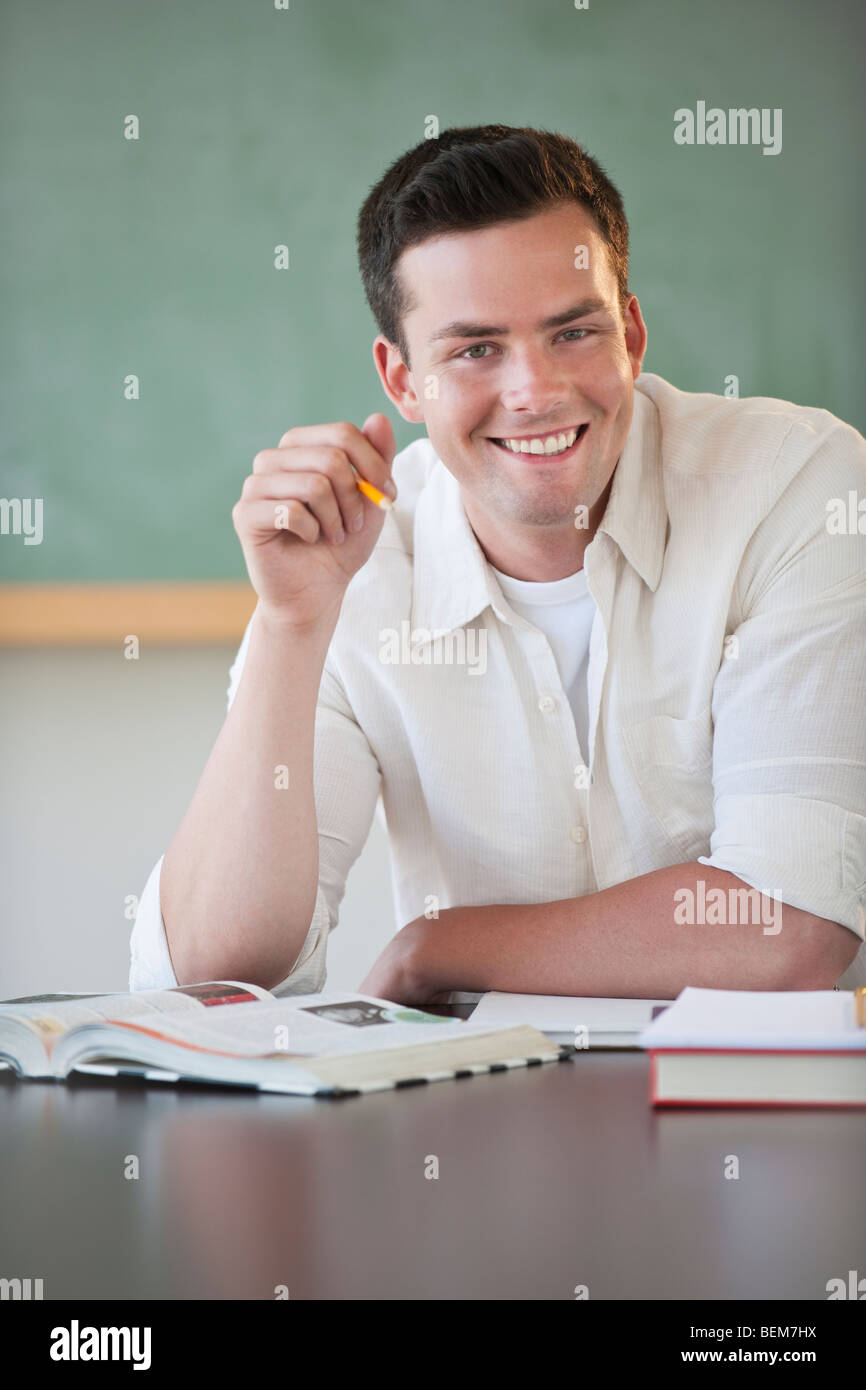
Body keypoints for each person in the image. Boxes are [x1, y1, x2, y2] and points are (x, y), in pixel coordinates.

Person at [129, 124, 866, 1005]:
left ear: (631, 332)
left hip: (764, 1121)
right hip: (473, 1119)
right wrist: (294, 627)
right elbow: (213, 979)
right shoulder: (355, 559)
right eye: (475, 349)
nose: (535, 392)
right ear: (403, 382)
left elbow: (787, 924)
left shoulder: (800, 487)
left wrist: (439, 948)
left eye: (573, 333)